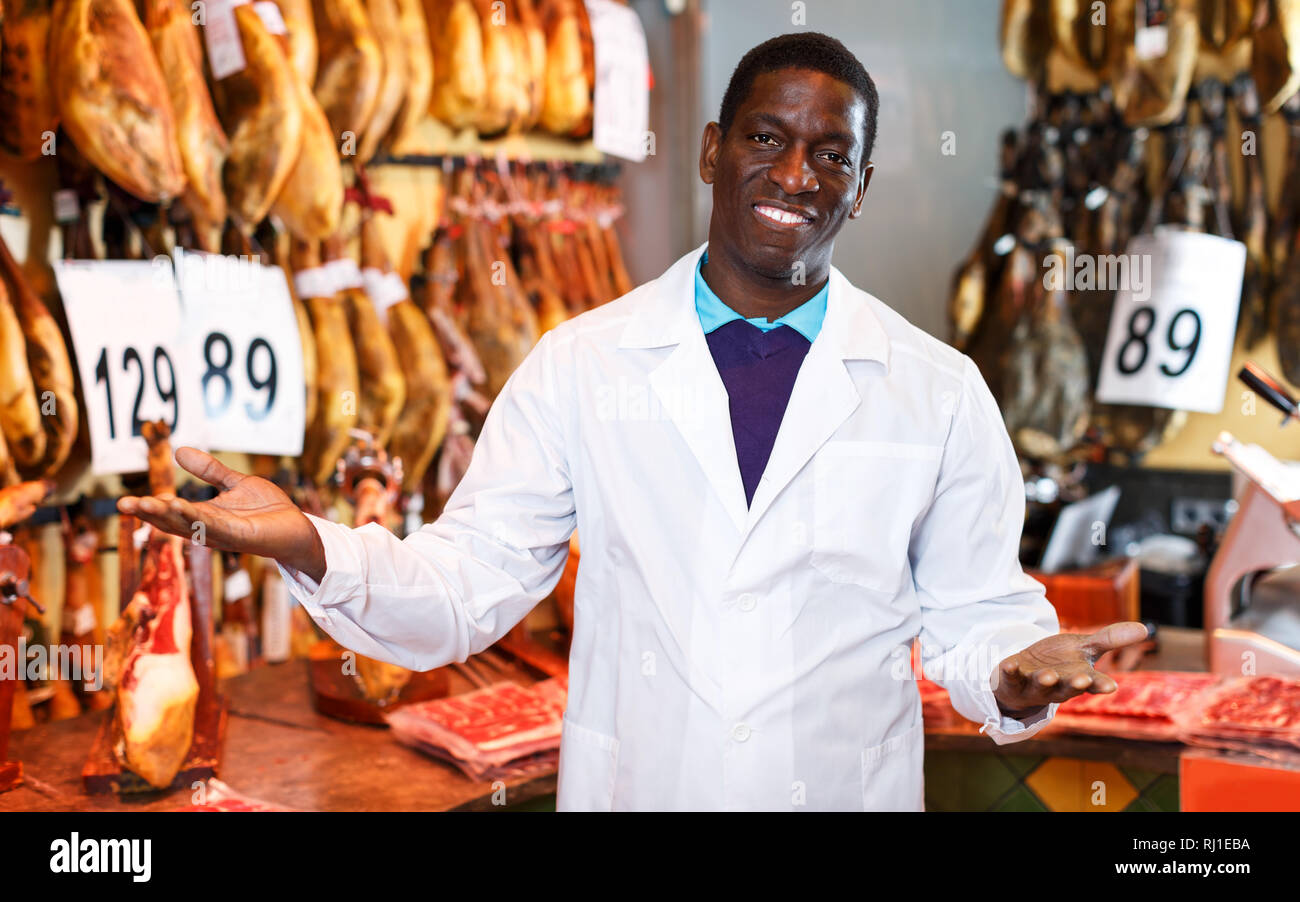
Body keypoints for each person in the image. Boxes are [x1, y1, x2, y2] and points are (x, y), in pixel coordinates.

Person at [121, 32, 1148, 810]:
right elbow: (464, 587)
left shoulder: (935, 388)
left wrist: (1016, 673)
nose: (796, 174)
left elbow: (979, 621)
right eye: (767, 137)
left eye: (832, 155)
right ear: (711, 150)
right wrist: (309, 539)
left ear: (863, 189)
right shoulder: (582, 362)